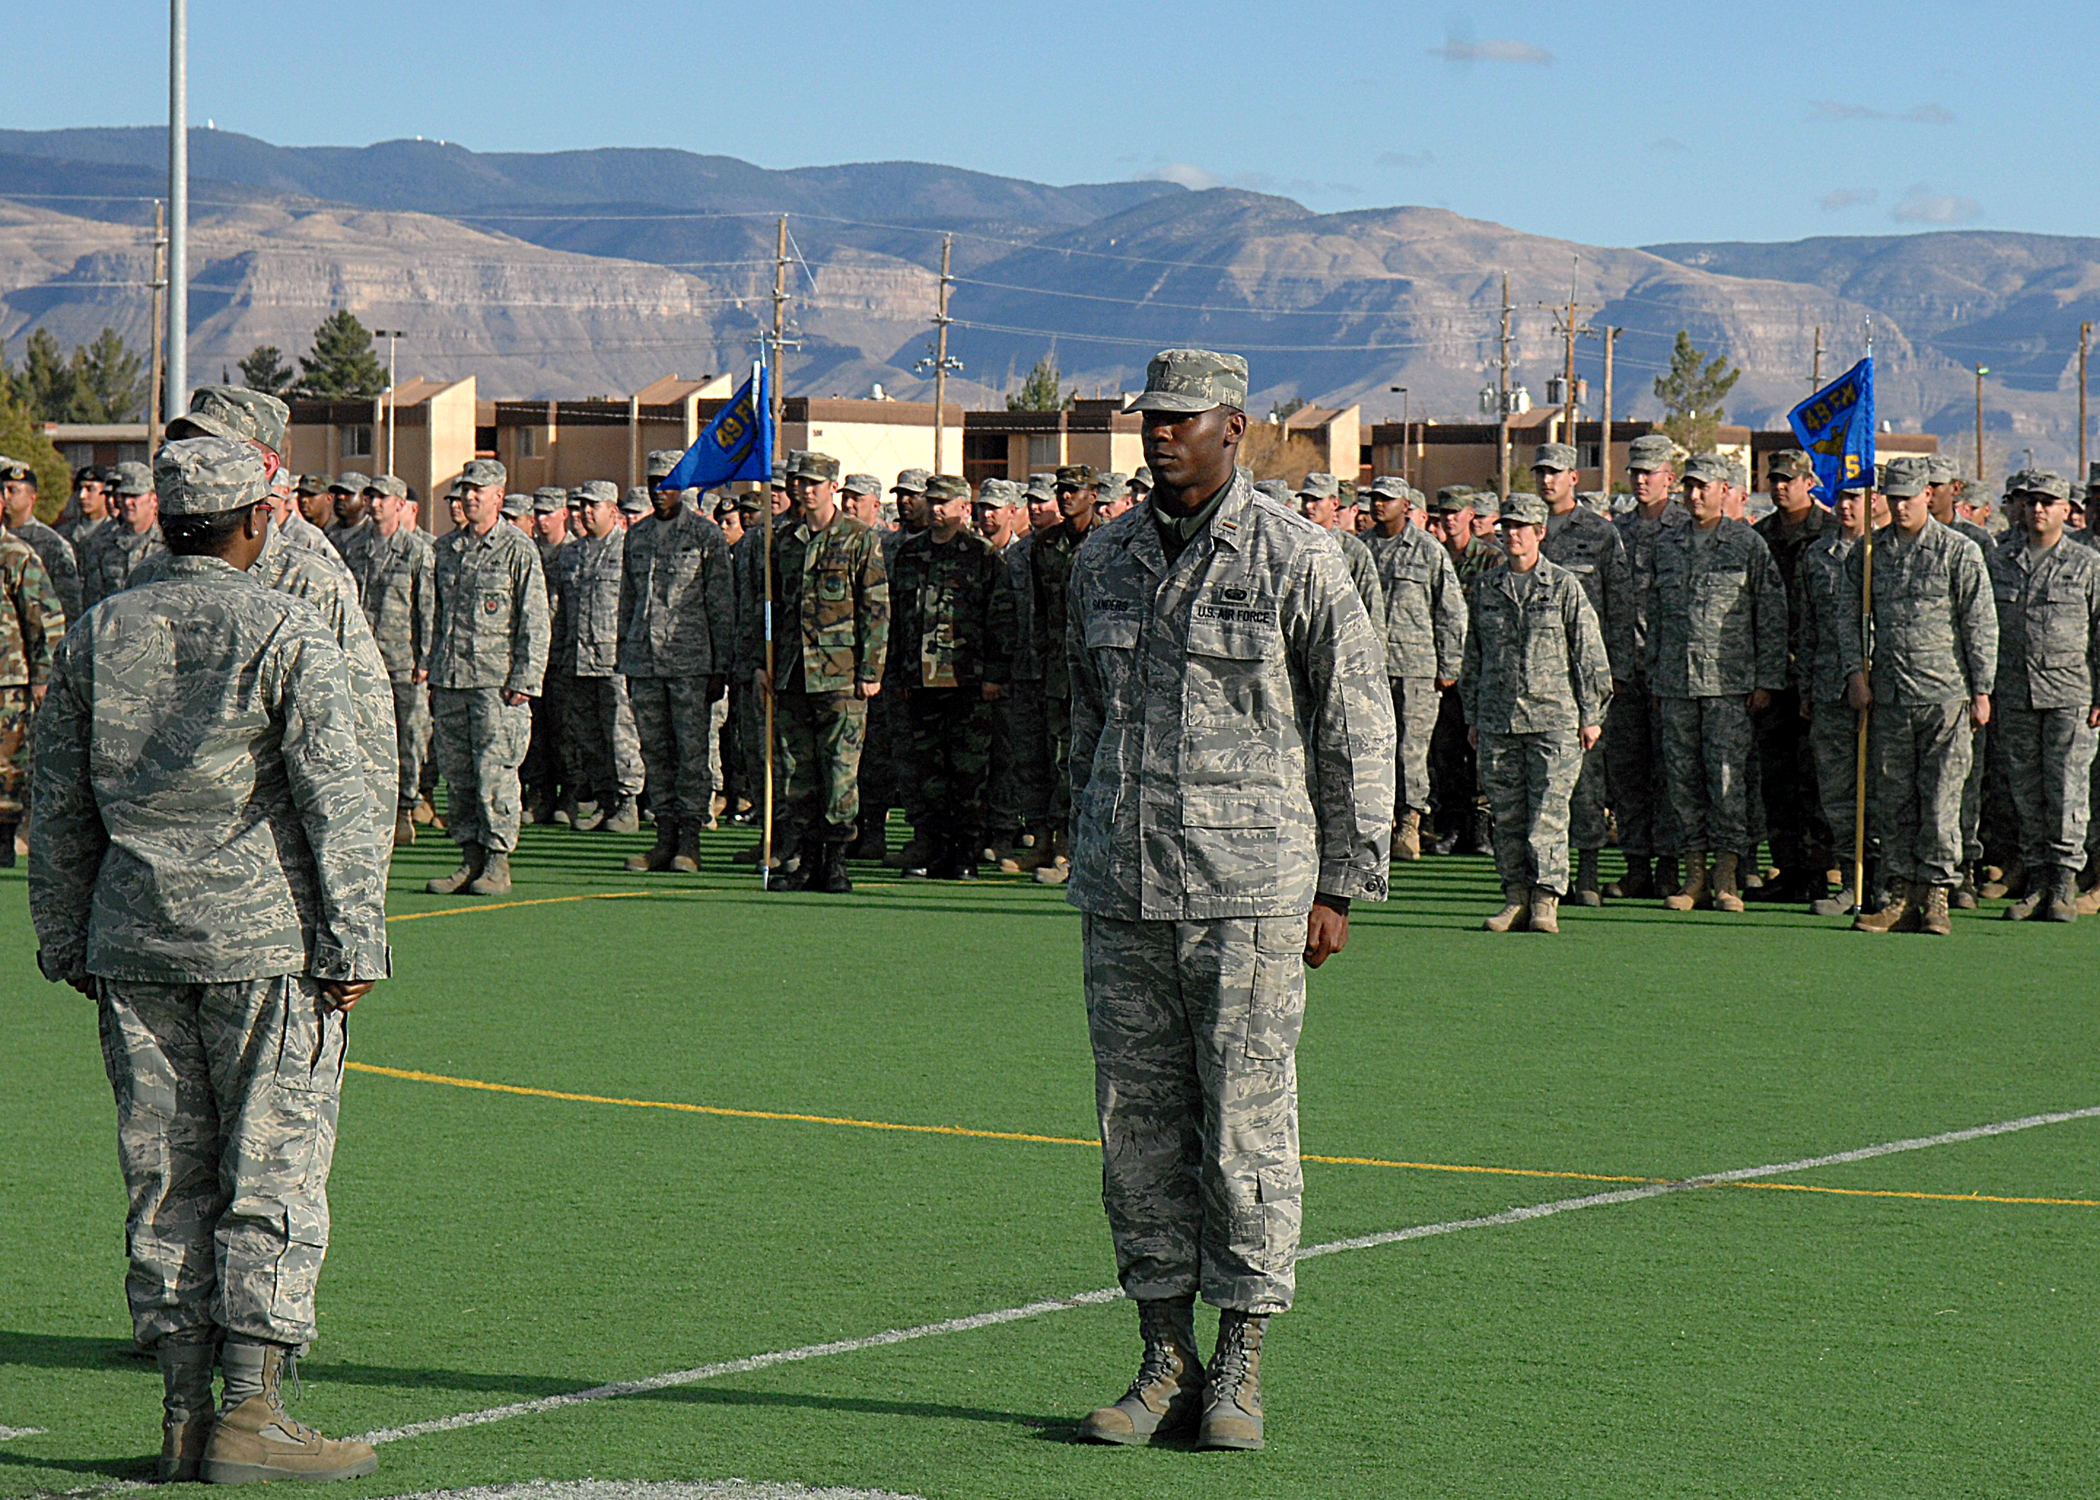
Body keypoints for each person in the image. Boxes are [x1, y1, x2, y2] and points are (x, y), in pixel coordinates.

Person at [27, 434, 388, 1485]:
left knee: (166, 1175)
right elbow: (338, 795)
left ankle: (184, 1414)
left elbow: (57, 808)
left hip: (134, 939)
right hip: (264, 945)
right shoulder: (282, 624)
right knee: (269, 1169)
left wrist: (64, 932)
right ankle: (250, 1411)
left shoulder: (98, 632)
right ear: (255, 522)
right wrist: (357, 935)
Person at [1067, 349, 1393, 1453]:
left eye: (1182, 419)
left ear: (1235, 428)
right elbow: (1085, 716)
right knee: (1138, 1133)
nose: (1160, 435)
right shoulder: (1102, 558)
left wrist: (1343, 880)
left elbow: (1355, 727)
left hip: (1252, 892)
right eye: (1150, 419)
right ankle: (1164, 1355)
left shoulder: (1301, 556)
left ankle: (1242, 1364)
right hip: (1126, 888)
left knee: (1248, 1129)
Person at [1843, 455, 1997, 934]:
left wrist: (1983, 689)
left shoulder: (1958, 551)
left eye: (1908, 498)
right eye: (1892, 499)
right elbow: (1850, 620)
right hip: (1890, 696)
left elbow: (1979, 622)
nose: (1900, 506)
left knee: (1941, 802)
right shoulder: (1869, 555)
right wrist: (1855, 675)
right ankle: (1898, 896)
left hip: (1945, 695)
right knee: (1894, 804)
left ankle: (1937, 897)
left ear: (1927, 495)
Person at [1642, 453, 1787, 913]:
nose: (1694, 494)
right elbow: (1655, 617)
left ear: (1725, 490)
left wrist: (1767, 679)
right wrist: (1655, 674)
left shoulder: (1746, 544)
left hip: (1729, 686)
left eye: (1704, 486)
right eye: (1688, 486)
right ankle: (1694, 877)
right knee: (1682, 784)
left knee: (1728, 783)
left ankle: (1728, 877)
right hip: (1676, 684)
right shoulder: (1667, 544)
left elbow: (1771, 614)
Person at [1461, 491, 1611, 932]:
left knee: (1547, 813)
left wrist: (1592, 714)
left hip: (1554, 718)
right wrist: (1472, 714)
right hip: (1498, 718)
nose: (1511, 534)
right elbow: (1475, 654)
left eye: (1520, 527)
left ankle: (1546, 898)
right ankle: (1515, 896)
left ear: (1540, 533)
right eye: (1506, 526)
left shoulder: (1564, 585)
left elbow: (1588, 653)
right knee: (1506, 815)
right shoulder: (1488, 586)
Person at [746, 450, 888, 892]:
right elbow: (765, 608)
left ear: (832, 487)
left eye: (813, 483)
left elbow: (876, 609)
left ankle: (837, 859)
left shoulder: (859, 538)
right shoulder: (783, 541)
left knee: (841, 770)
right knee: (796, 772)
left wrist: (871, 668)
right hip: (791, 672)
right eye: (798, 483)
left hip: (841, 674)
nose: (804, 491)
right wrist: (760, 664)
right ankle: (806, 858)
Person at [421, 458, 550, 897]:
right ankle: (469, 858)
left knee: (494, 774)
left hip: (498, 686)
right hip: (453, 679)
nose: (469, 497)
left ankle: (497, 862)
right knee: (458, 776)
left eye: (478, 490)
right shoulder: (445, 550)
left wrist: (526, 678)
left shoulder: (518, 549)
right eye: (464, 490)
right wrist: (432, 669)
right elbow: (433, 616)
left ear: (499, 496)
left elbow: (535, 618)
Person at [1985, 471, 2100, 921]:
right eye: (2031, 501)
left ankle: (2064, 882)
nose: (2037, 510)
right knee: (2026, 792)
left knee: (2068, 790)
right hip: (2014, 693)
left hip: (2071, 694)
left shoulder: (2087, 563)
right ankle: (2036, 881)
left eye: (2048, 502)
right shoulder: (2001, 560)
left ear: (2066, 510)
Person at [889, 474, 1012, 879]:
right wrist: (900, 673)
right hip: (920, 682)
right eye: (932, 501)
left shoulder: (982, 556)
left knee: (969, 773)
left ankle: (966, 854)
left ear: (964, 506)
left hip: (968, 682)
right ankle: (931, 848)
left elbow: (1001, 618)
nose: (936, 508)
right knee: (927, 773)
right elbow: (897, 620)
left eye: (944, 502)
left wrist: (994, 674)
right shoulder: (909, 554)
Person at [619, 452, 734, 871]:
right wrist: (623, 657)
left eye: (667, 483)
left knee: (691, 754)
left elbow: (720, 604)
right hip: (644, 662)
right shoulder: (638, 535)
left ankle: (690, 839)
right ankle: (663, 837)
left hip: (691, 664)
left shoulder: (705, 536)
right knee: (655, 753)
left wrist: (721, 665)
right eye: (653, 482)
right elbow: (627, 601)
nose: (658, 491)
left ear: (683, 487)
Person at [1533, 443, 1634, 903]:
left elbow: (1620, 606)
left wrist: (1616, 670)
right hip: (1534, 677)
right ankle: (1545, 876)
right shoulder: (1525, 528)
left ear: (1575, 477)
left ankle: (1588, 872)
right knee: (1540, 783)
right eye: (1541, 473)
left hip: (1582, 676)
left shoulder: (1598, 533)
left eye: (1555, 473)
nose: (1547, 481)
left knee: (1588, 777)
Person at [1748, 448, 1837, 901]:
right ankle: (1786, 868)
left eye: (1789, 479)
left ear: (1810, 483)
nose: (1780, 486)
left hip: (1817, 672)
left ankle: (1819, 871)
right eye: (1774, 479)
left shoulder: (1831, 532)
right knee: (1776, 777)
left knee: (1815, 777)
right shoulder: (1760, 537)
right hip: (1772, 672)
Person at [1360, 476, 1464, 861]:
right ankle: (1377, 822)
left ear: (1406, 505)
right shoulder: (1361, 549)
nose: (1378, 504)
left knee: (1410, 750)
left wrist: (1449, 662)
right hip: (1368, 667)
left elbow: (1450, 610)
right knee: (1372, 748)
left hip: (1417, 666)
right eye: (1374, 497)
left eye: (1387, 499)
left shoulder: (1427, 550)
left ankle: (1410, 823)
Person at [1605, 434, 1689, 897]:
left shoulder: (1684, 528)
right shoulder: (1615, 531)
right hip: (1623, 672)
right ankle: (1636, 864)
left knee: (1670, 772)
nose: (1640, 479)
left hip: (1672, 671)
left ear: (1668, 479)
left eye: (1649, 473)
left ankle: (1672, 866)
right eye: (1634, 472)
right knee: (1628, 771)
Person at [1794, 483, 1882, 915]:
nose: (1846, 506)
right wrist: (1806, 687)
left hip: (1886, 690)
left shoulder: (1885, 552)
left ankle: (1886, 883)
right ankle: (1852, 881)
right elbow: (1807, 627)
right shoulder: (1816, 556)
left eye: (1856, 498)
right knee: (1838, 793)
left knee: (1885, 792)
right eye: (1841, 498)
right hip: (1830, 688)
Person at [351, 473, 436, 847]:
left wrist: (427, 656)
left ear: (401, 505)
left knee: (408, 739)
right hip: (364, 660)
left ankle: (405, 808)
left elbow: (428, 609)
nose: (375, 504)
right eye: (371, 497)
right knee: (365, 738)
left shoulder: (417, 551)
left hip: (404, 661)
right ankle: (372, 809)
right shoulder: (353, 547)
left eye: (383, 498)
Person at [1029, 463, 1102, 884]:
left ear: (1093, 495)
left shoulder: (1113, 541)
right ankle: (1055, 845)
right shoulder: (1045, 544)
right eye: (1062, 490)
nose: (1066, 497)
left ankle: (1078, 852)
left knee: (1090, 763)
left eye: (1075, 490)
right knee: (1058, 760)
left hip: (1097, 672)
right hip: (1058, 670)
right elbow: (1040, 612)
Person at [1423, 485, 1502, 854]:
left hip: (1482, 666)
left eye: (1456, 512)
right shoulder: (1431, 556)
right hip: (1444, 666)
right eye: (1443, 513)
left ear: (1472, 514)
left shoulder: (1491, 559)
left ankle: (1482, 826)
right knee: (1447, 750)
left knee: (1483, 750)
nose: (1449, 519)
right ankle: (1453, 824)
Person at [0, 506, 62, 866]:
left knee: (7, 768)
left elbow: (45, 618)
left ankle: (4, 842)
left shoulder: (16, 555)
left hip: (8, 683)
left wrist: (43, 676)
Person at [523, 488, 576, 826]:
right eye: (537, 513)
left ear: (563, 515)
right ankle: (538, 793)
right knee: (535, 731)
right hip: (532, 655)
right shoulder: (527, 552)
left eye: (548, 513)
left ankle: (569, 796)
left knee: (566, 730)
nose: (541, 520)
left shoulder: (574, 553)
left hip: (564, 655)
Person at [78, 461, 167, 609]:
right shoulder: (102, 544)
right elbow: (93, 603)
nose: (127, 502)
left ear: (154, 499)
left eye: (134, 495)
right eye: (123, 495)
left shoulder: (169, 544)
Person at [1, 458, 81, 621]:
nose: (6, 496)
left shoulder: (52, 544)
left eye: (13, 490)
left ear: (32, 497)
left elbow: (69, 605)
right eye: (2, 490)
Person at [1296, 472, 1384, 619]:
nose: (1308, 506)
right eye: (1305, 499)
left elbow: (1372, 607)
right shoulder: (1291, 544)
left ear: (1335, 503)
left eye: (1316, 499)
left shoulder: (1353, 549)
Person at [56, 462, 112, 546]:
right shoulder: (63, 534)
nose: (82, 496)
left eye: (90, 489)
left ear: (106, 492)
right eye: (79, 489)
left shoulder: (116, 532)